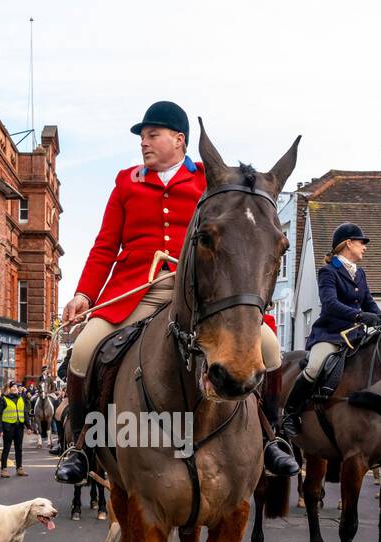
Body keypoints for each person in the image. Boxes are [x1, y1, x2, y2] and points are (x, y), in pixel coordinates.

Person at [55, 100, 293, 484]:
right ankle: (82, 445)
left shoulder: (209, 179)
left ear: (178, 140)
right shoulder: (125, 182)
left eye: (152, 135)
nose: (144, 144)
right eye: (142, 138)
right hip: (136, 289)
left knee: (269, 348)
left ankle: (271, 437)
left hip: (201, 292)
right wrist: (84, 294)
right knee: (84, 350)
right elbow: (105, 245)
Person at [280, 223, 381, 440]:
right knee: (314, 366)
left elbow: (368, 302)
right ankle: (290, 414)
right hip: (332, 335)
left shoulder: (360, 273)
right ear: (348, 243)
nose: (364, 247)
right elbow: (330, 304)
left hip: (357, 337)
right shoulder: (328, 271)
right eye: (361, 242)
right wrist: (359, 316)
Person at [0, 378, 28, 477]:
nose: (15, 388)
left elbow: (25, 413)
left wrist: (29, 426)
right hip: (8, 427)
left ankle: (19, 468)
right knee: (6, 449)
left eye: (16, 387)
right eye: (13, 387)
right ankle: (4, 469)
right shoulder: (3, 399)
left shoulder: (20, 398)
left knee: (19, 448)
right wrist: (0, 429)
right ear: (8, 388)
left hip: (19, 427)